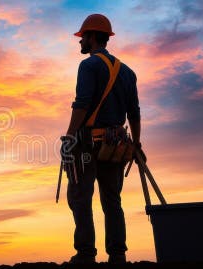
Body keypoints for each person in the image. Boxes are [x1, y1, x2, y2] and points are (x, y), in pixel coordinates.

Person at [62, 13, 141, 265]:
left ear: (93, 37)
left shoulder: (88, 66)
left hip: (87, 143)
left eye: (83, 36)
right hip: (115, 146)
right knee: (112, 200)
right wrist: (136, 144)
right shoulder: (128, 73)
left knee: (80, 197)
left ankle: (85, 255)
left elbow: (82, 105)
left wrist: (69, 137)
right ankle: (117, 255)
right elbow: (134, 113)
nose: (80, 41)